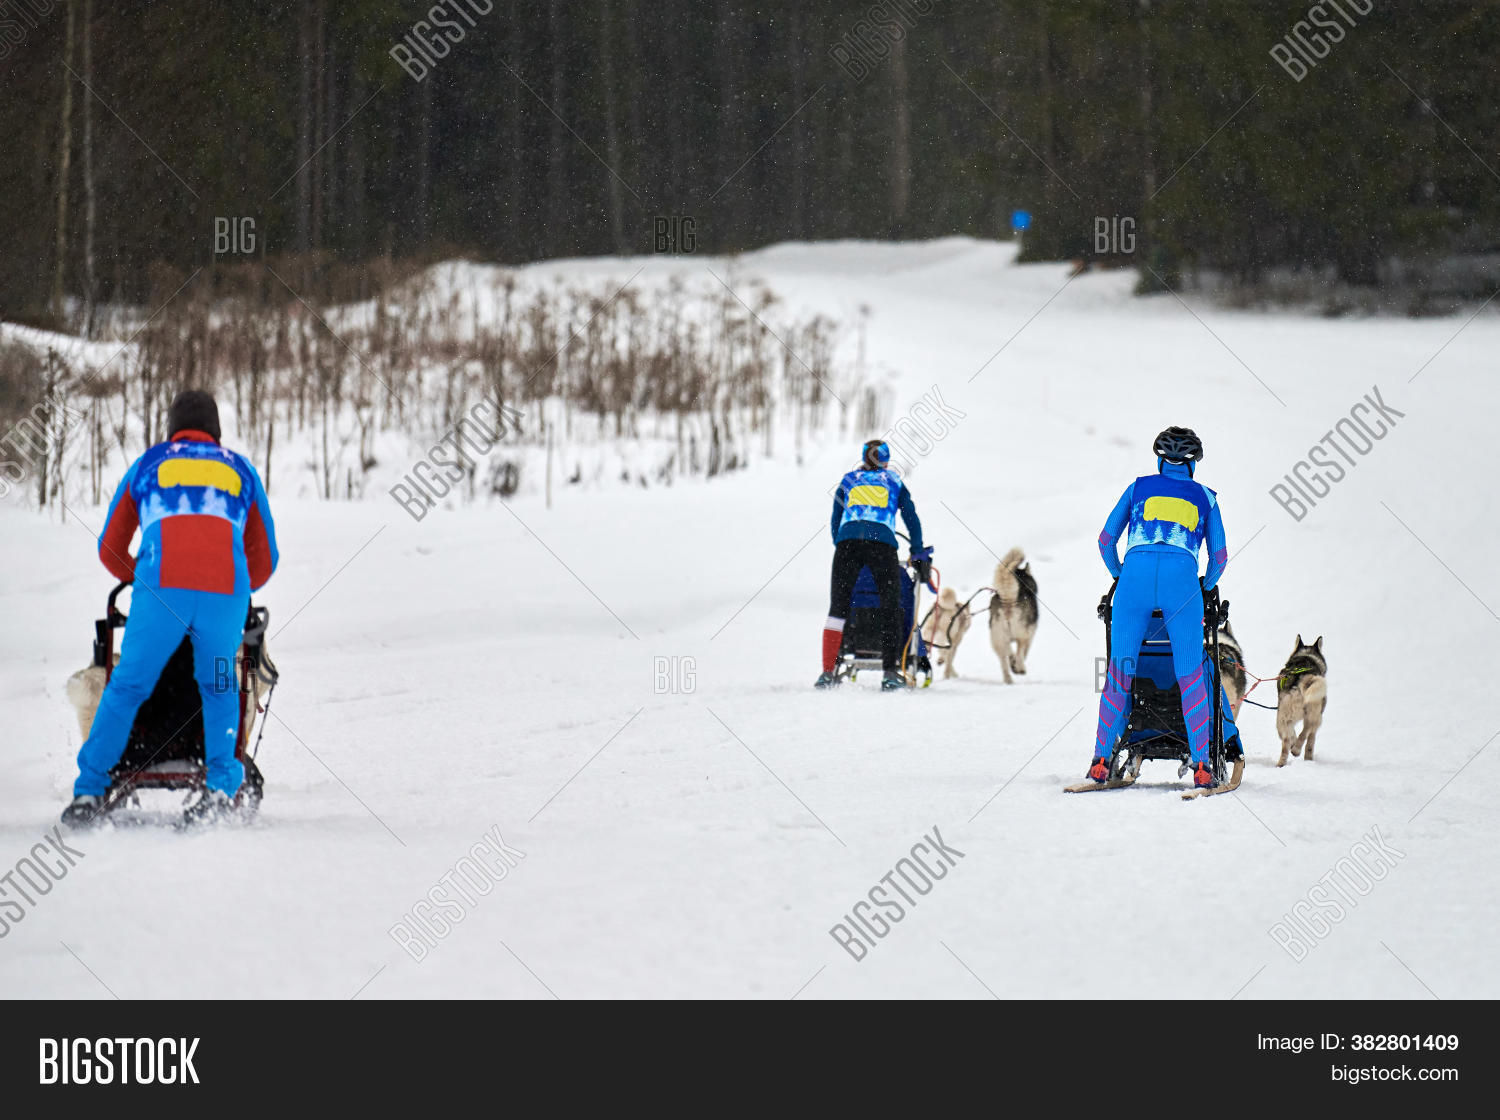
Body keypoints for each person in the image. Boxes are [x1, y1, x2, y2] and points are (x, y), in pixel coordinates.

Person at [62, 390, 279, 826]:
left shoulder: (149, 465)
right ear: (216, 431)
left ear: (171, 427)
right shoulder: (241, 470)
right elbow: (265, 559)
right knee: (220, 686)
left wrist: (142, 573)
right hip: (224, 598)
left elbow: (110, 548)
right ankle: (220, 791)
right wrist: (234, 588)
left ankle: (90, 792)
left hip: (161, 593)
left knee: (127, 686)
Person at [1088, 427, 1227, 789]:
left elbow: (1105, 540)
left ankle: (1101, 762)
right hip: (1181, 587)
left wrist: (1122, 575)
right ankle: (1201, 767)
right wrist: (1205, 586)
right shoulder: (1206, 498)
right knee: (1191, 676)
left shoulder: (1137, 488)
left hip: (1133, 584)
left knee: (1119, 675)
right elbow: (1220, 557)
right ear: (1193, 465)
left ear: (1160, 461)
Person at [816, 439, 929, 692]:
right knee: (890, 605)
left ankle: (826, 673)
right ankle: (890, 672)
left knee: (838, 608)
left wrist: (842, 543)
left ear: (863, 457)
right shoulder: (894, 482)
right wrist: (917, 550)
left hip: (848, 543)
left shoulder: (848, 480)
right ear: (886, 460)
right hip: (882, 544)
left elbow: (836, 518)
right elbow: (911, 518)